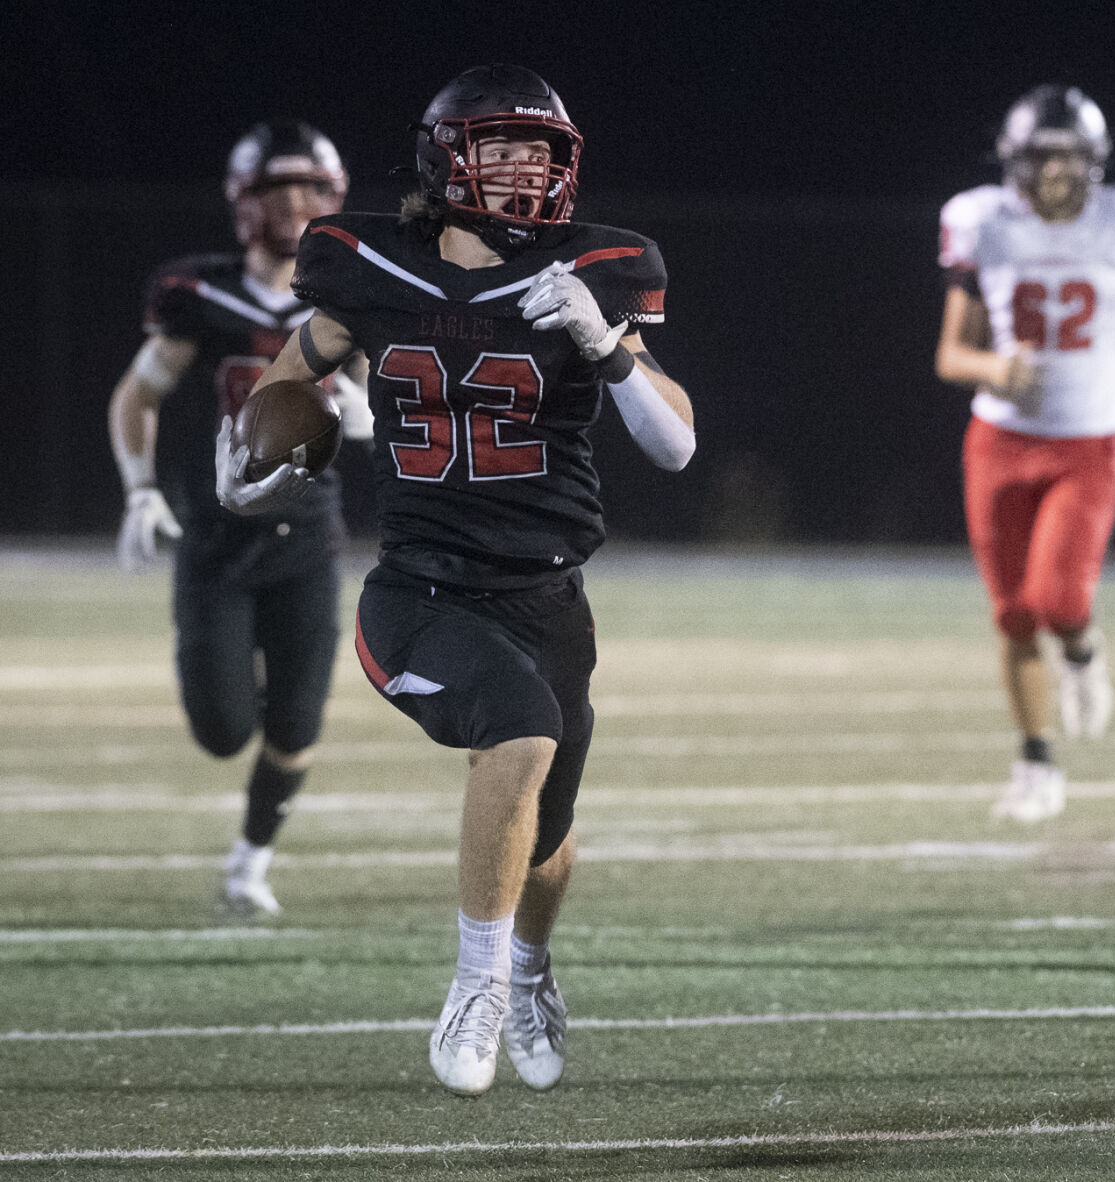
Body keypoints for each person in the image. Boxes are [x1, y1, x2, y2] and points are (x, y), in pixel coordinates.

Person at [216, 64, 694, 1096]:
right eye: (504, 149)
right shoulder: (365, 262)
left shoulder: (596, 270)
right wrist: (253, 453)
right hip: (420, 589)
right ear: (445, 161)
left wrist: (606, 347)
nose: (528, 172)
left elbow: (676, 447)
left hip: (551, 595)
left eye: (543, 152)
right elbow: (295, 376)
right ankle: (474, 984)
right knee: (517, 735)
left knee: (550, 842)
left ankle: (527, 965)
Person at [107, 121, 370, 918]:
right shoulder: (201, 293)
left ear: (333, 201)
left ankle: (249, 863)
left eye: (310, 190)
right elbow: (138, 394)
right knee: (223, 730)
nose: (295, 205)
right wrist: (139, 487)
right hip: (217, 540)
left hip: (308, 535)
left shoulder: (348, 292)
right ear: (243, 202)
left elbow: (383, 394)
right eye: (277, 189)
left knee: (297, 721)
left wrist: (369, 412)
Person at [935, 84, 1115, 822]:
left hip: (1089, 438)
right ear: (1015, 161)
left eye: (1066, 157)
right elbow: (952, 354)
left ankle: (1081, 650)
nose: (1052, 173)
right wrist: (995, 368)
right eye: (1040, 157)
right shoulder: (983, 224)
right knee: (1012, 612)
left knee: (1061, 599)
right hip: (1001, 441)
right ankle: (1037, 762)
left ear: (1093, 162)